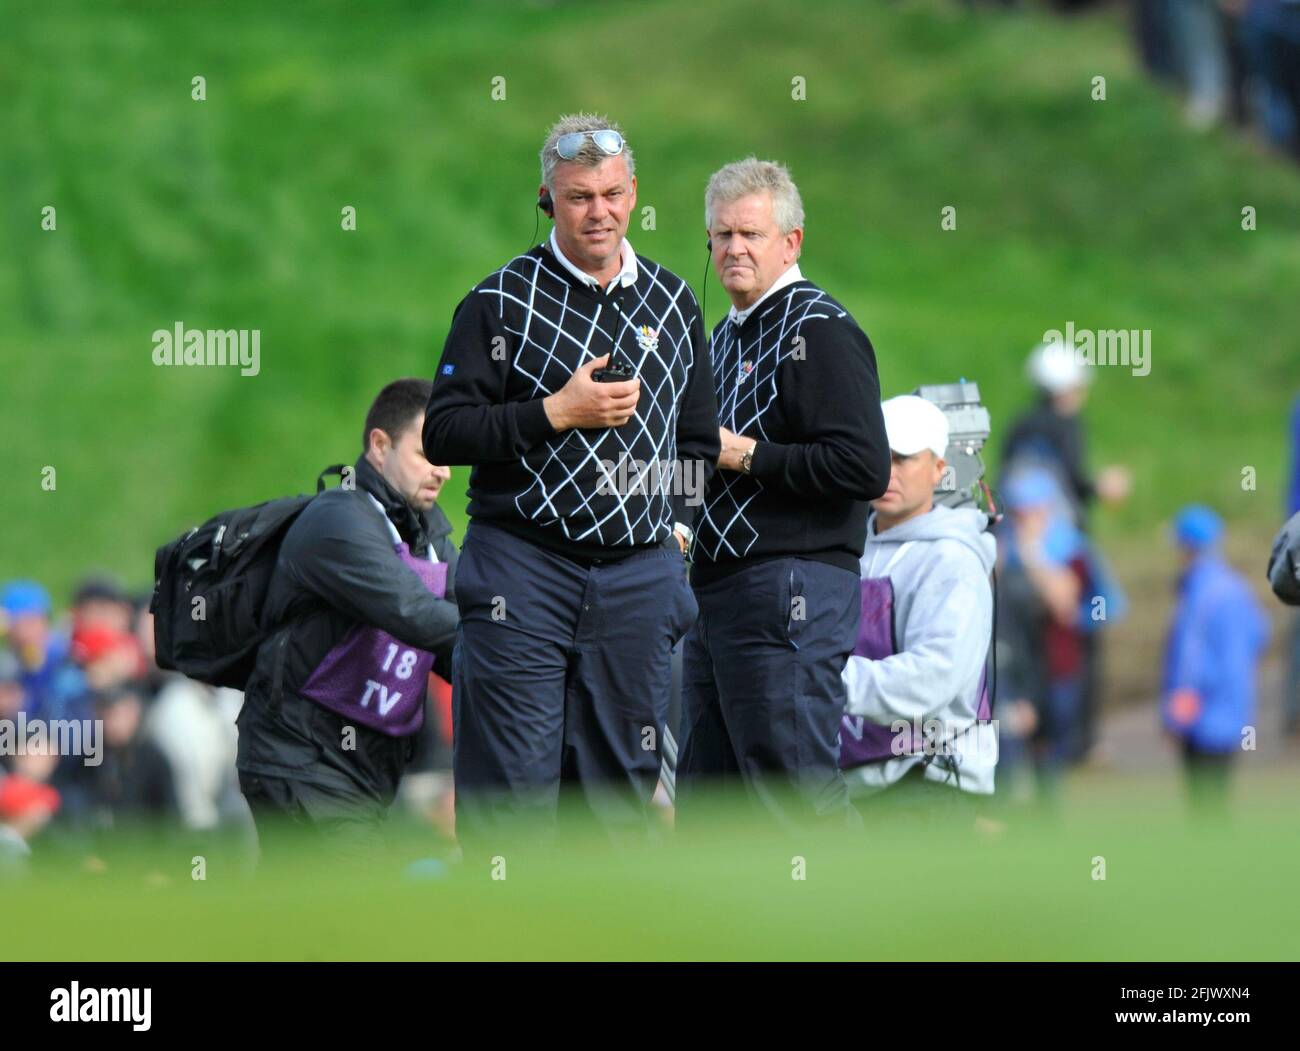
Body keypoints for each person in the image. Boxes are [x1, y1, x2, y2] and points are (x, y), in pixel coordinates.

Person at [423, 114, 717, 849]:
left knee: (618, 793)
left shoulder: (676, 303)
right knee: (511, 787)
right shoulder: (498, 301)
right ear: (548, 198)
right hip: (523, 569)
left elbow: (699, 440)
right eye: (580, 196)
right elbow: (445, 431)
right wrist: (556, 412)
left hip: (638, 575)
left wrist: (676, 528)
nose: (601, 212)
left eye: (613, 194)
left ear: (635, 193)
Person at [676, 157, 890, 828]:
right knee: (710, 799)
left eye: (751, 234)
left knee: (790, 784)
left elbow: (864, 468)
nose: (733, 248)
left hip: (791, 586)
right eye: (721, 235)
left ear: (791, 242)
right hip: (716, 594)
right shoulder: (721, 335)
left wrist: (745, 453)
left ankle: (852, 928)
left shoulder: (819, 328)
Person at [235, 378, 460, 865]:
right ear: (380, 446)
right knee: (360, 903)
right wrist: (516, 644)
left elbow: (464, 639)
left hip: (364, 773)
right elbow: (413, 613)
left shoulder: (432, 538)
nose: (444, 471)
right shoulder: (339, 520)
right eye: (428, 453)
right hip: (302, 760)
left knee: (305, 917)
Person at [838, 396, 997, 821]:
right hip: (854, 788)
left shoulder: (953, 560)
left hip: (929, 788)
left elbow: (933, 676)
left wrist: (822, 682)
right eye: (879, 455)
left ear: (939, 469)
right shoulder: (843, 548)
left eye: (903, 458)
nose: (887, 471)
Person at [1161, 506, 1269, 817]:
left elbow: (1189, 661)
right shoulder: (1235, 586)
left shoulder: (1201, 593)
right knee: (1219, 801)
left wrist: (1178, 712)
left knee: (1203, 806)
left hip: (1203, 718)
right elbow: (1259, 633)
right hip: (1234, 711)